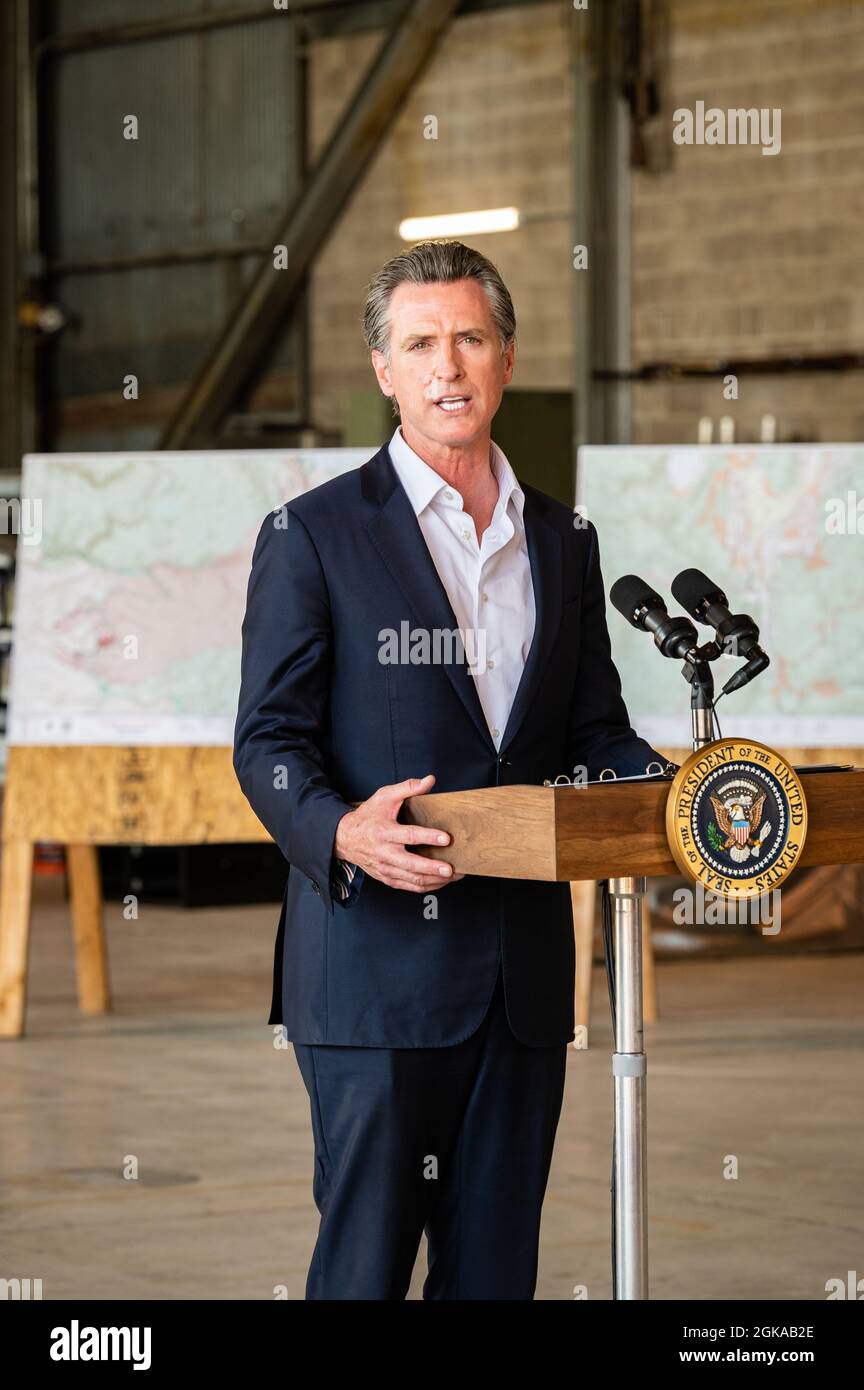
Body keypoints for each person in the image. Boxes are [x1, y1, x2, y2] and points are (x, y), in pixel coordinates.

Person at [233, 239, 667, 1300]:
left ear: (507, 358)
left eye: (470, 338)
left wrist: (666, 786)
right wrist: (340, 830)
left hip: (520, 982)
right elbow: (267, 738)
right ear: (383, 369)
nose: (448, 365)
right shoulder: (316, 534)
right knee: (365, 1273)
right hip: (371, 978)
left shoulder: (564, 541)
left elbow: (591, 730)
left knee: (493, 1280)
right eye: (420, 342)